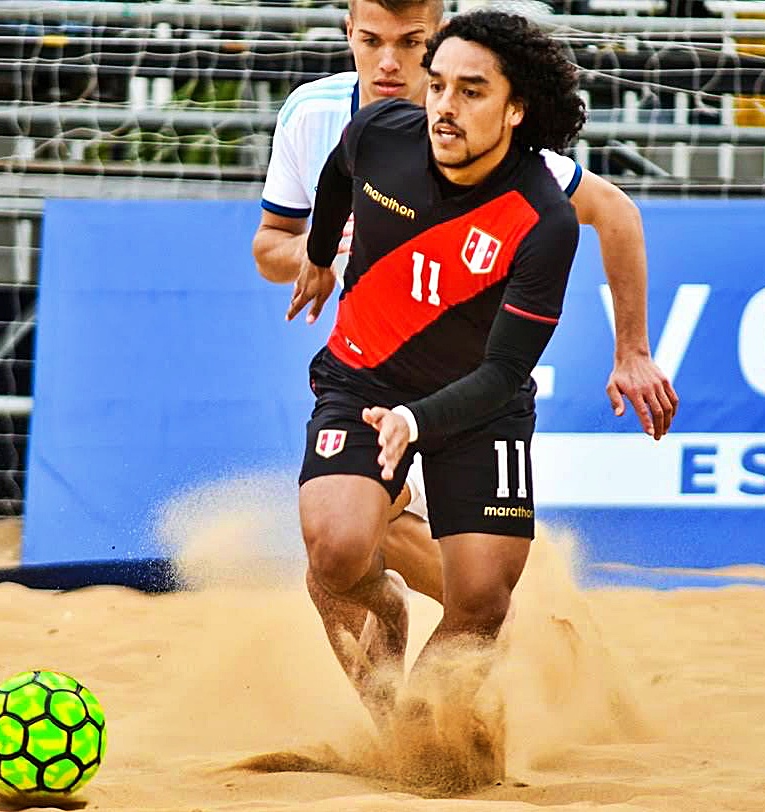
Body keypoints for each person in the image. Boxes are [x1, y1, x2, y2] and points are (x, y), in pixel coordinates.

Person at [252, 0, 677, 706]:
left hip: (480, 403)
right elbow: (336, 174)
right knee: (334, 549)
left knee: (481, 600)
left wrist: (632, 349)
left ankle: (446, 712)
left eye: (466, 88)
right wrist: (321, 254)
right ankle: (395, 714)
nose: (438, 100)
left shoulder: (544, 208)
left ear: (514, 109)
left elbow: (507, 371)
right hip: (364, 377)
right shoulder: (375, 126)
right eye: (438, 83)